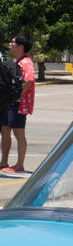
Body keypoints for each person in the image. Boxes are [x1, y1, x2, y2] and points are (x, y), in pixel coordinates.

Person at [1, 34, 36, 174]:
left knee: (18, 133)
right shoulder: (18, 61)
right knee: (5, 130)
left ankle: (19, 165)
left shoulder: (26, 62)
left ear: (21, 47)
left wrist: (17, 95)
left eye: (13, 42)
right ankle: (3, 161)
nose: (10, 44)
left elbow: (29, 79)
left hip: (19, 104)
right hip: (11, 102)